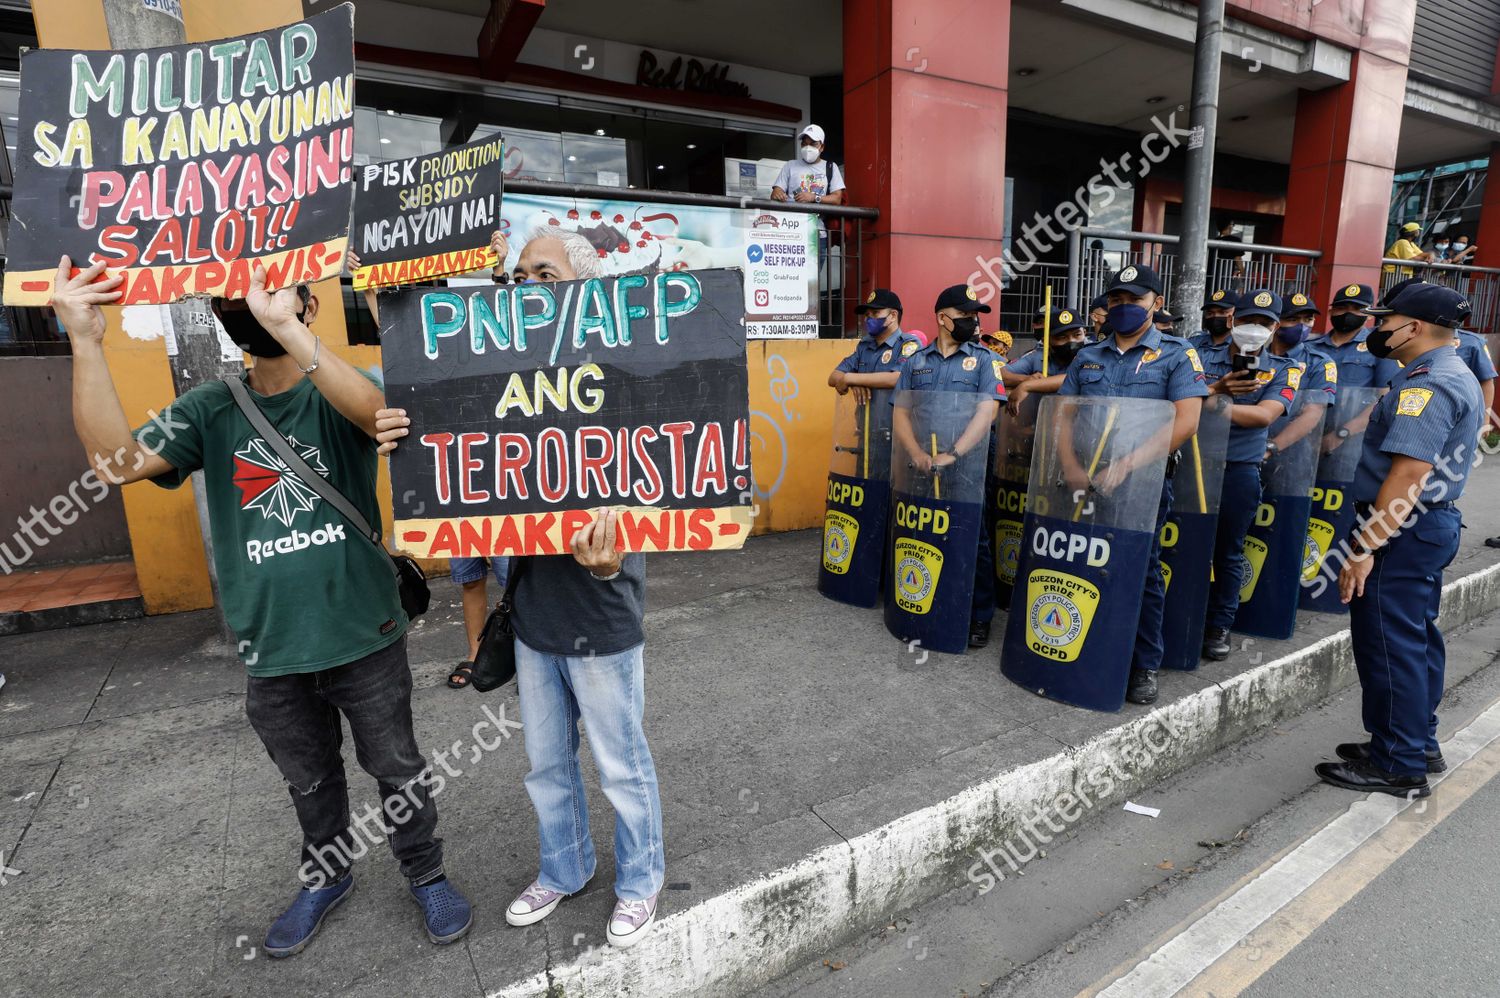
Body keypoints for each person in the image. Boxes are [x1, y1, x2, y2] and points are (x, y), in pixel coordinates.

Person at [50, 256, 472, 956]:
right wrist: (85, 339)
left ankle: (425, 873)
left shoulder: (338, 391)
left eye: (278, 294)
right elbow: (117, 466)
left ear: (309, 305)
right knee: (308, 779)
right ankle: (327, 875)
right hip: (271, 647)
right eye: (239, 299)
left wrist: (287, 324)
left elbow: (379, 416)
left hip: (362, 633)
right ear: (221, 317)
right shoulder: (209, 409)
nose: (254, 305)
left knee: (396, 767)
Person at [376, 376, 663, 947]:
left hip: (603, 628)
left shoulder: (621, 412)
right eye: (524, 277)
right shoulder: (499, 412)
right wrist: (407, 445)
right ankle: (565, 869)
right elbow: (456, 480)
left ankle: (641, 880)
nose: (529, 287)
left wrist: (609, 567)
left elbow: (646, 514)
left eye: (546, 278)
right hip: (533, 628)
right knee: (547, 766)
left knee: (622, 766)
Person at [1317, 283, 1483, 797]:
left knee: (1390, 644)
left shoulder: (1427, 385)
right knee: (1415, 639)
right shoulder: (1448, 372)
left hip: (1400, 527)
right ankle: (1413, 741)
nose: (1377, 328)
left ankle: (1398, 764)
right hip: (1422, 525)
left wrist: (1364, 548)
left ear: (1413, 326)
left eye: (1385, 320)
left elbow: (1407, 477)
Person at [1057, 265, 1208, 703]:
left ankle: (1143, 664)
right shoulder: (1088, 356)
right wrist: (1069, 466)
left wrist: (1126, 465)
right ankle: (1092, 646)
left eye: (1134, 300)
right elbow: (1064, 417)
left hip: (1142, 482)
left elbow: (1187, 421)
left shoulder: (1178, 355)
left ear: (1156, 303)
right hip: (1084, 481)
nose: (1123, 307)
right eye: (1116, 300)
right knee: (1086, 564)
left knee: (1140, 570)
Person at [892, 284, 1005, 648]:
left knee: (973, 539)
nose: (972, 323)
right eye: (965, 316)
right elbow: (902, 412)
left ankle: (977, 616)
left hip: (967, 467)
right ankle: (929, 601)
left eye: (975, 317)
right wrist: (916, 453)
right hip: (921, 467)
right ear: (943, 318)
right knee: (924, 535)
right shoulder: (916, 362)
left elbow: (988, 410)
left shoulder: (986, 361)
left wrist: (953, 453)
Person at [1196, 290, 1301, 661]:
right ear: (1232, 320)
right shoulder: (1199, 355)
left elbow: (1263, 417)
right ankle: (1185, 617)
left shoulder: (1286, 369)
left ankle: (1218, 625)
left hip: (1238, 471)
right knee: (1185, 547)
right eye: (1246, 321)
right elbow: (1170, 399)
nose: (1253, 329)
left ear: (1275, 328)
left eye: (1264, 323)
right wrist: (1215, 392)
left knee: (1228, 551)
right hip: (1191, 467)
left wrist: (1204, 401)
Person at [1266, 290, 1338, 456]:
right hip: (1249, 446)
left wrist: (1272, 447)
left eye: (1308, 319)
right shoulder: (1257, 356)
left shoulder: (1320, 363)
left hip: (1293, 454)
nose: (1302, 326)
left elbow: (1314, 412)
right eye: (1292, 319)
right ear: (1276, 322)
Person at [829, 289, 920, 404]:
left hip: (894, 421)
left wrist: (850, 378)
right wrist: (853, 383)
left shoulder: (908, 344)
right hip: (865, 421)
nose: (868, 319)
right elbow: (833, 377)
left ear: (893, 315)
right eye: (867, 315)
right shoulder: (864, 346)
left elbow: (899, 377)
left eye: (875, 313)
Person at [1001, 305, 1087, 414]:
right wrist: (1026, 379)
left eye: (1077, 335)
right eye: (1062, 337)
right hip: (1042, 422)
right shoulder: (1037, 356)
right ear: (1046, 340)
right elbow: (1000, 374)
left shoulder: (1092, 355)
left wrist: (1027, 386)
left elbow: (1074, 378)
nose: (1071, 342)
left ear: (1085, 333)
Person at [1317, 283, 1402, 389]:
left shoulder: (1380, 347)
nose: (1348, 313)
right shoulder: (1311, 347)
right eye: (1341, 308)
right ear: (1331, 312)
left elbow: (1384, 393)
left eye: (1357, 308)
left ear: (1371, 314)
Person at [770, 124, 845, 208]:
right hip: (791, 218)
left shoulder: (831, 167)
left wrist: (814, 197)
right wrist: (778, 195)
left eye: (813, 144)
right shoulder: (790, 165)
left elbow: (837, 199)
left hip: (817, 219)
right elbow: (776, 192)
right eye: (804, 144)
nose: (808, 147)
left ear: (822, 147)